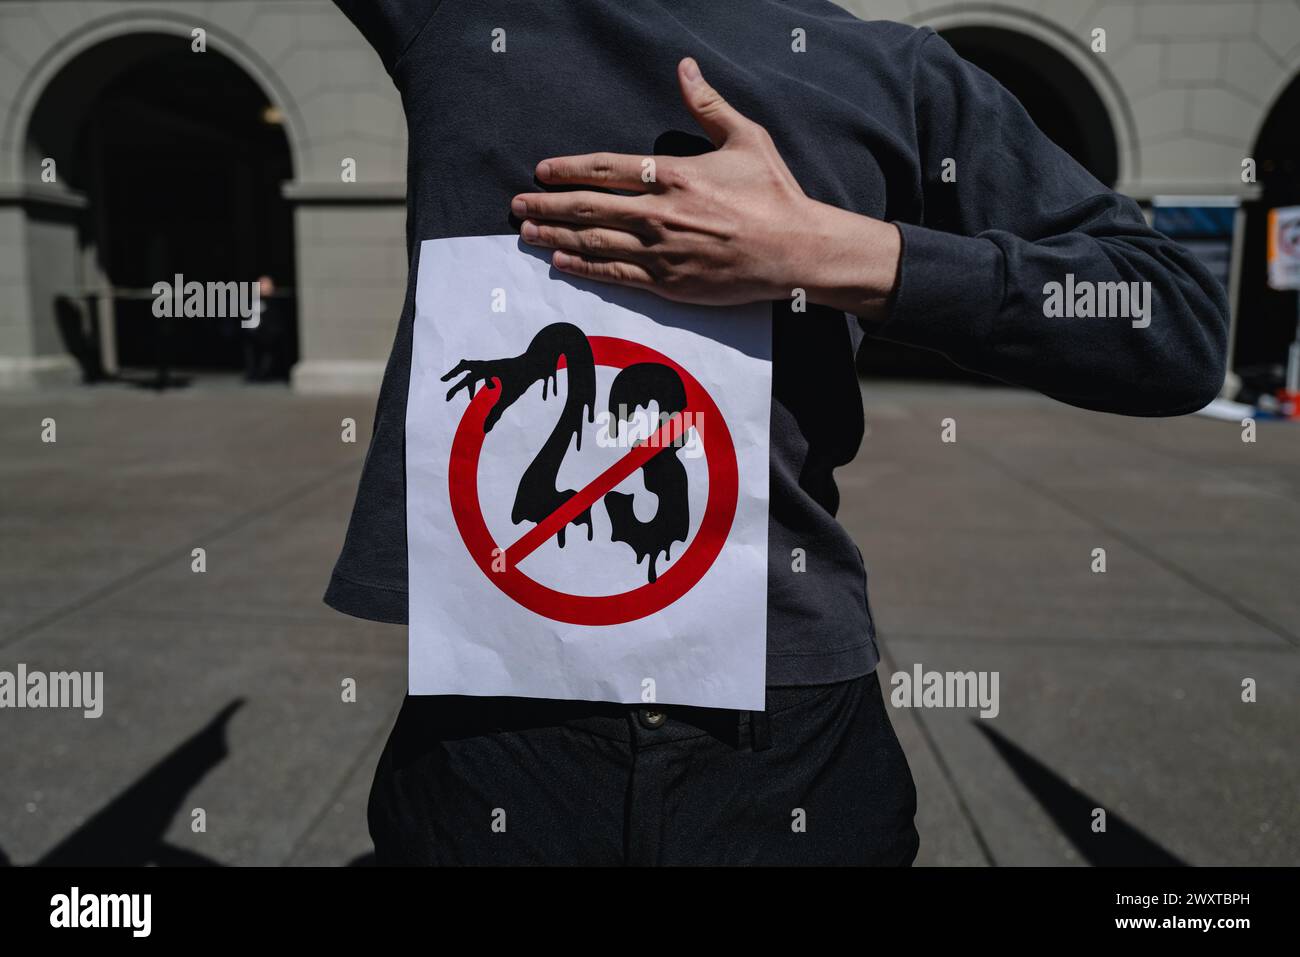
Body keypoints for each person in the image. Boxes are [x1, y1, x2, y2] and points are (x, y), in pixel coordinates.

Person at [327, 0, 1228, 865]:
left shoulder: (897, 73)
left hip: (785, 732)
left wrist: (833, 253)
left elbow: (1172, 321)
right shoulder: (466, 15)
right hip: (498, 726)